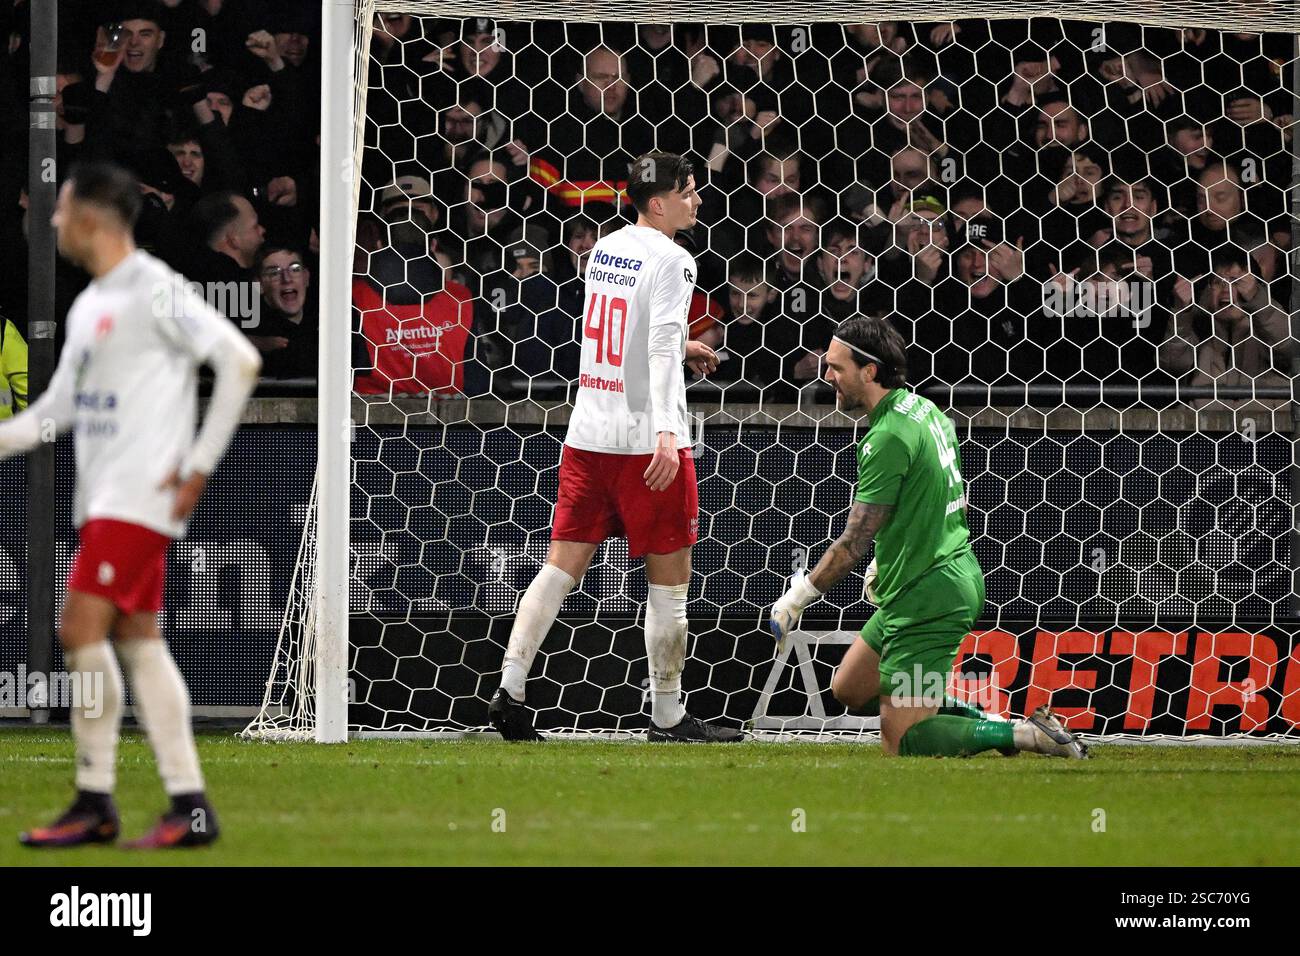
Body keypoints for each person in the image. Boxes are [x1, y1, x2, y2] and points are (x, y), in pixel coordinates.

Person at [9, 162, 261, 847]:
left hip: (140, 494)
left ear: (91, 217)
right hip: (108, 499)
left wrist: (198, 467)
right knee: (139, 641)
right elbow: (53, 414)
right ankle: (190, 806)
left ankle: (94, 797)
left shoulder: (154, 287)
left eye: (62, 209)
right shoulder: (91, 304)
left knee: (78, 629)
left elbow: (239, 360)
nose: (53, 221)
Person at [487, 151, 736, 743]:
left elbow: (625, 333)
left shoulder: (606, 247)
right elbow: (658, 345)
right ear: (659, 204)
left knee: (560, 567)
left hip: (588, 432)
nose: (697, 199)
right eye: (688, 191)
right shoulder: (676, 259)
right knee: (669, 580)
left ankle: (510, 689)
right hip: (644, 441)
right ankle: (668, 715)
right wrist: (668, 433)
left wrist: (680, 347)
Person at [768, 315, 1088, 758]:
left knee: (903, 742)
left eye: (836, 367)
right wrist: (890, 559)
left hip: (929, 595)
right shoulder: (923, 409)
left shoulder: (887, 437)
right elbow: (944, 497)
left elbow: (853, 542)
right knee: (850, 687)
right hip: (930, 578)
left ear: (870, 371)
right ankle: (982, 720)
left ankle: (1024, 735)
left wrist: (797, 597)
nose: (827, 377)